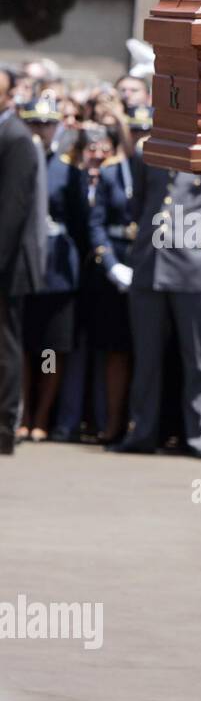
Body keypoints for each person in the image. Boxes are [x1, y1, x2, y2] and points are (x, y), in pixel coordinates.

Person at [110, 137, 201, 458]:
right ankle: (141, 431)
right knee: (145, 358)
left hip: (195, 263)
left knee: (200, 359)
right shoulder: (147, 148)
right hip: (149, 261)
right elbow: (140, 203)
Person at [18, 95, 90, 443]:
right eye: (34, 123)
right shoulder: (18, 161)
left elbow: (80, 224)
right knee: (22, 346)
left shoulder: (67, 170)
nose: (40, 130)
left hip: (58, 271)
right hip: (24, 266)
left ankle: (42, 416)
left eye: (46, 124)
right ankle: (23, 413)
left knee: (49, 349)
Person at [0, 68, 46, 455]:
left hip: (6, 265)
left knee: (5, 348)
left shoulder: (15, 137)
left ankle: (3, 429)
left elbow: (11, 214)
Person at [84, 121, 136, 443]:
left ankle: (142, 424)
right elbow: (97, 223)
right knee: (116, 350)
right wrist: (113, 265)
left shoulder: (162, 170)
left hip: (150, 262)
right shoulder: (110, 172)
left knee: (149, 350)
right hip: (117, 263)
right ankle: (113, 421)